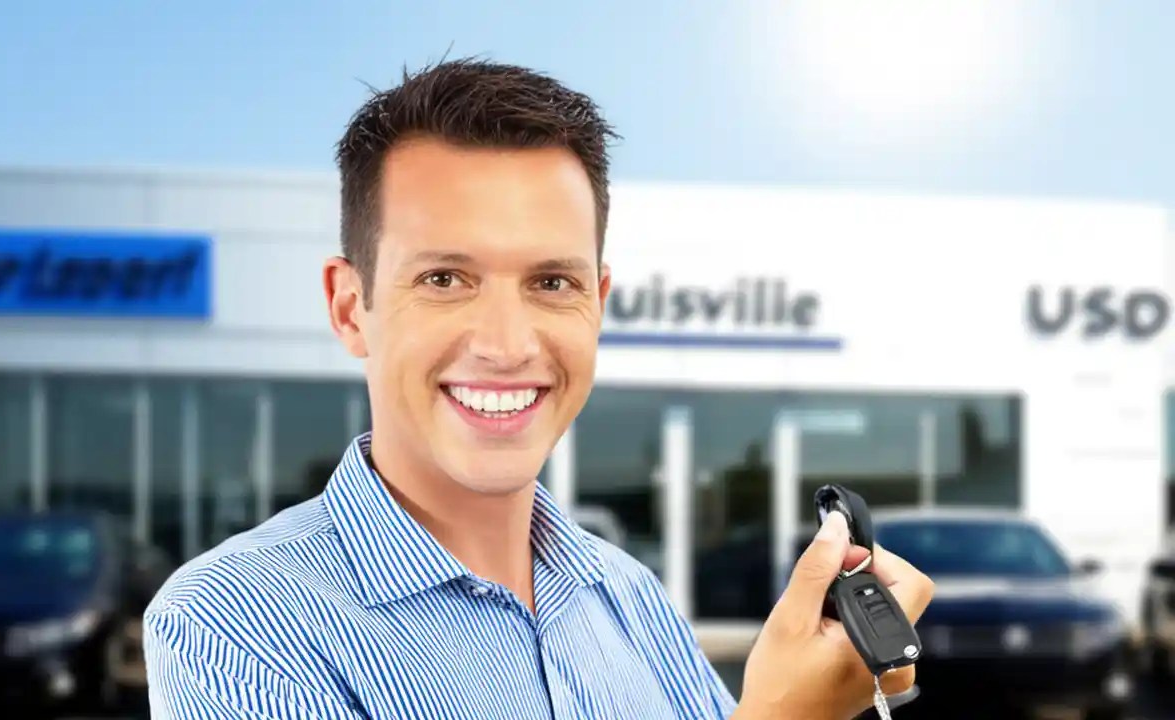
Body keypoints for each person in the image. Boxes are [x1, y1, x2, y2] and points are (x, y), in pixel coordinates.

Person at [142, 57, 934, 720]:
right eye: (445, 279)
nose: (507, 345)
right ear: (351, 308)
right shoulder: (233, 626)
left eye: (552, 282)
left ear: (599, 303)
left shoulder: (630, 598)